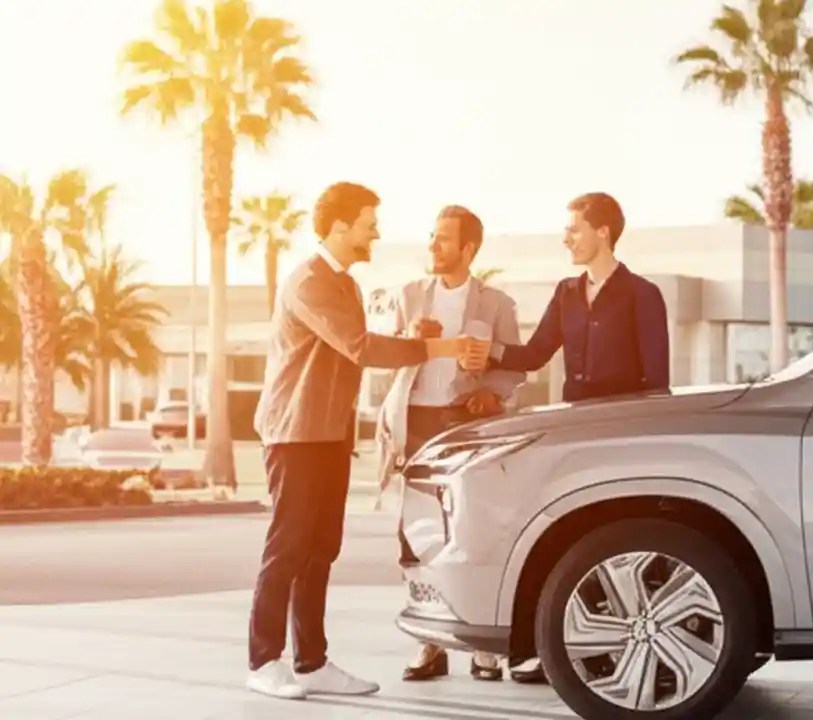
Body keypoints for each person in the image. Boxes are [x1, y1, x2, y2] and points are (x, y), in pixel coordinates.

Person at [246, 182, 487, 701]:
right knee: (288, 547)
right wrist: (438, 345)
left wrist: (413, 337)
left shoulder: (346, 284)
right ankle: (264, 660)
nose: (375, 231)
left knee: (320, 550)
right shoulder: (308, 281)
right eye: (367, 223)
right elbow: (359, 346)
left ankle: (312, 662)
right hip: (295, 434)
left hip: (330, 435)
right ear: (339, 228)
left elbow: (363, 340)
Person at [486, 192, 671, 683]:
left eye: (574, 228)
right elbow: (534, 354)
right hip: (576, 439)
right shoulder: (567, 292)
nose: (565, 237)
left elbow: (658, 380)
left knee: (617, 546)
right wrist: (484, 352)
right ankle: (563, 651)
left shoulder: (642, 294)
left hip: (624, 441)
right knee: (572, 539)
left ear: (602, 232)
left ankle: (619, 651)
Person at [376, 205, 523, 683]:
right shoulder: (409, 295)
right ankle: (429, 644)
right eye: (433, 237)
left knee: (471, 530)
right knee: (416, 535)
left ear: (469, 248)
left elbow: (513, 369)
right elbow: (386, 355)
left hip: (466, 424)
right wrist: (410, 340)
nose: (434, 246)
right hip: (416, 422)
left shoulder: (497, 304)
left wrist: (489, 393)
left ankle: (482, 649)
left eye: (444, 239)